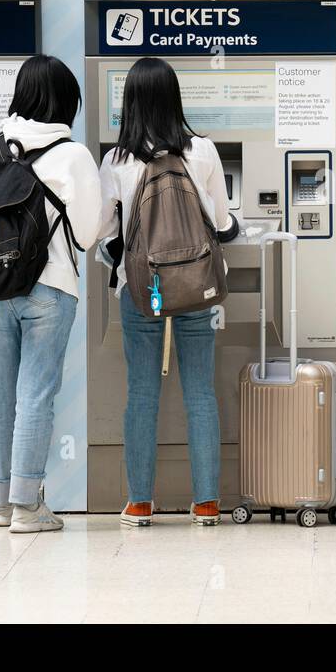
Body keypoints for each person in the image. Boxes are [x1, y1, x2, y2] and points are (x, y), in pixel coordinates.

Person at [97, 57, 232, 527]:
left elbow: (101, 230)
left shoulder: (117, 160)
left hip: (141, 288)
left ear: (130, 102)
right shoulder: (204, 151)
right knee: (200, 393)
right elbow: (220, 220)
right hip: (197, 284)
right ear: (175, 97)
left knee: (141, 392)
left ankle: (139, 503)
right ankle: (208, 502)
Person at [0, 55, 101, 532]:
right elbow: (87, 234)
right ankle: (27, 507)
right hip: (49, 286)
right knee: (35, 395)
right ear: (66, 101)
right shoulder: (73, 155)